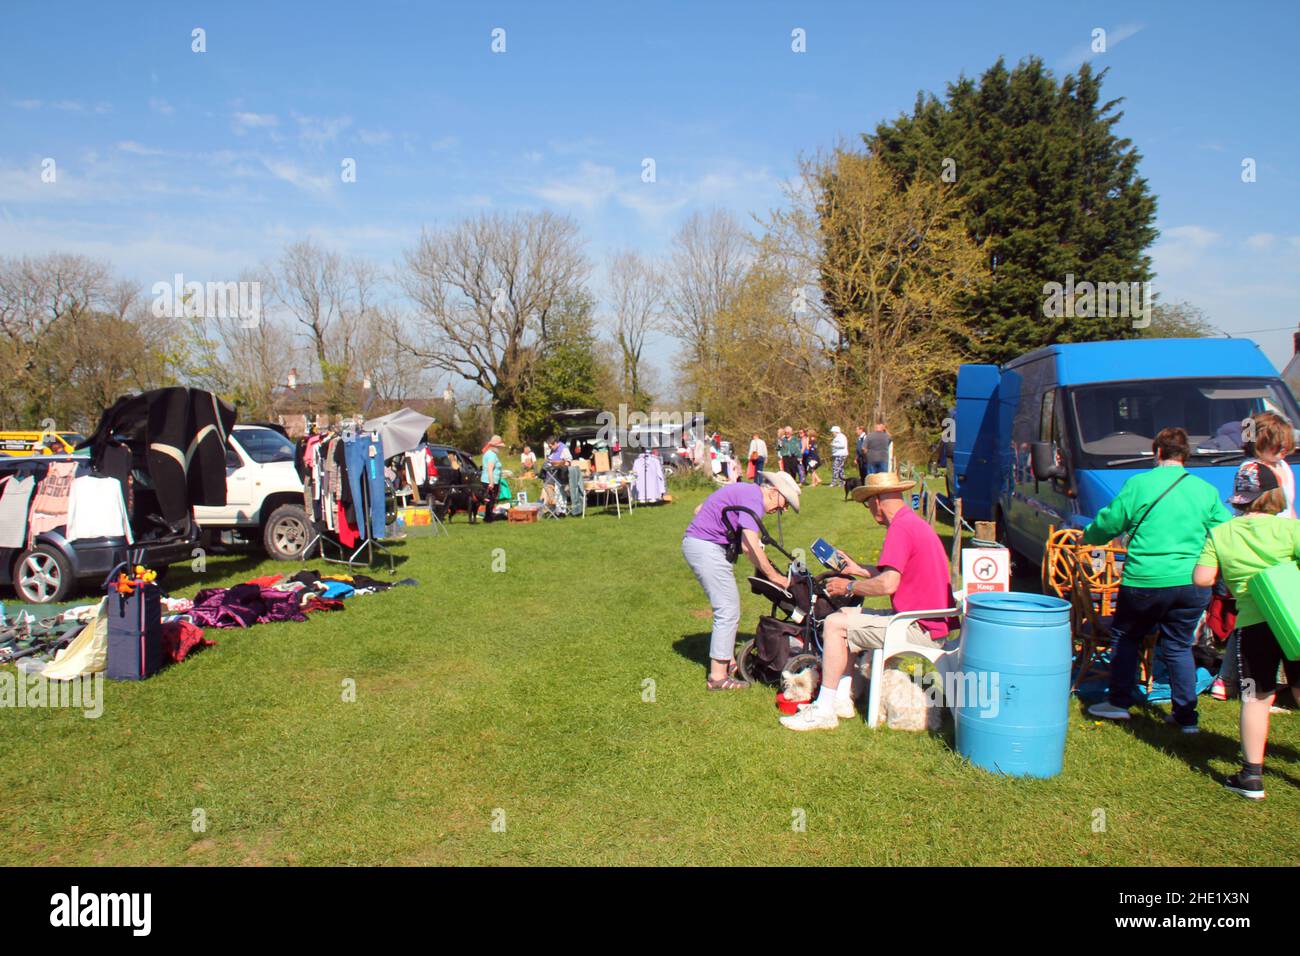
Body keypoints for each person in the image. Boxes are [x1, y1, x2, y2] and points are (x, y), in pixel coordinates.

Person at [780, 471, 955, 730]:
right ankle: (842, 697)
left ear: (876, 501)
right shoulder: (912, 523)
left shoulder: (900, 528)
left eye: (866, 503)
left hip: (918, 627)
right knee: (848, 619)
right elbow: (894, 572)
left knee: (834, 624)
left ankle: (825, 709)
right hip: (932, 621)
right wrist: (858, 569)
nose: (869, 510)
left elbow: (888, 583)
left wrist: (848, 585)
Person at [1084, 427, 1232, 732]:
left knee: (1126, 637)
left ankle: (1118, 702)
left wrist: (1089, 536)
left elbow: (1110, 521)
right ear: (1185, 455)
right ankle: (1186, 717)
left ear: (1158, 452)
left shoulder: (1139, 484)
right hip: (1191, 582)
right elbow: (1226, 530)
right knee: (1178, 646)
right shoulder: (1205, 490)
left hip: (1145, 580)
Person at [1194, 463, 1300, 799]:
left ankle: (1251, 777)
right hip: (1295, 618)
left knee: (1257, 696)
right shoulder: (1289, 529)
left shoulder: (1222, 533)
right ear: (1274, 493)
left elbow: (1202, 578)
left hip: (1253, 625)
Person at [682, 471, 801, 690]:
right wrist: (775, 577)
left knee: (729, 607)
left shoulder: (745, 491)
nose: (782, 510)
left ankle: (728, 662)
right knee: (727, 609)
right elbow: (749, 546)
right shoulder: (754, 497)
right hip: (706, 547)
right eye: (785, 504)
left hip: (700, 544)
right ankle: (718, 678)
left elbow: (699, 509)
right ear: (774, 492)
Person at [480, 434, 505, 523]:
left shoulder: (488, 453)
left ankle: (488, 517)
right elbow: (490, 469)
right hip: (490, 480)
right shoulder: (492, 455)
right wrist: (491, 482)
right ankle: (488, 518)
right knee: (491, 500)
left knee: (489, 500)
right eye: (499, 446)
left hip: (486, 479)